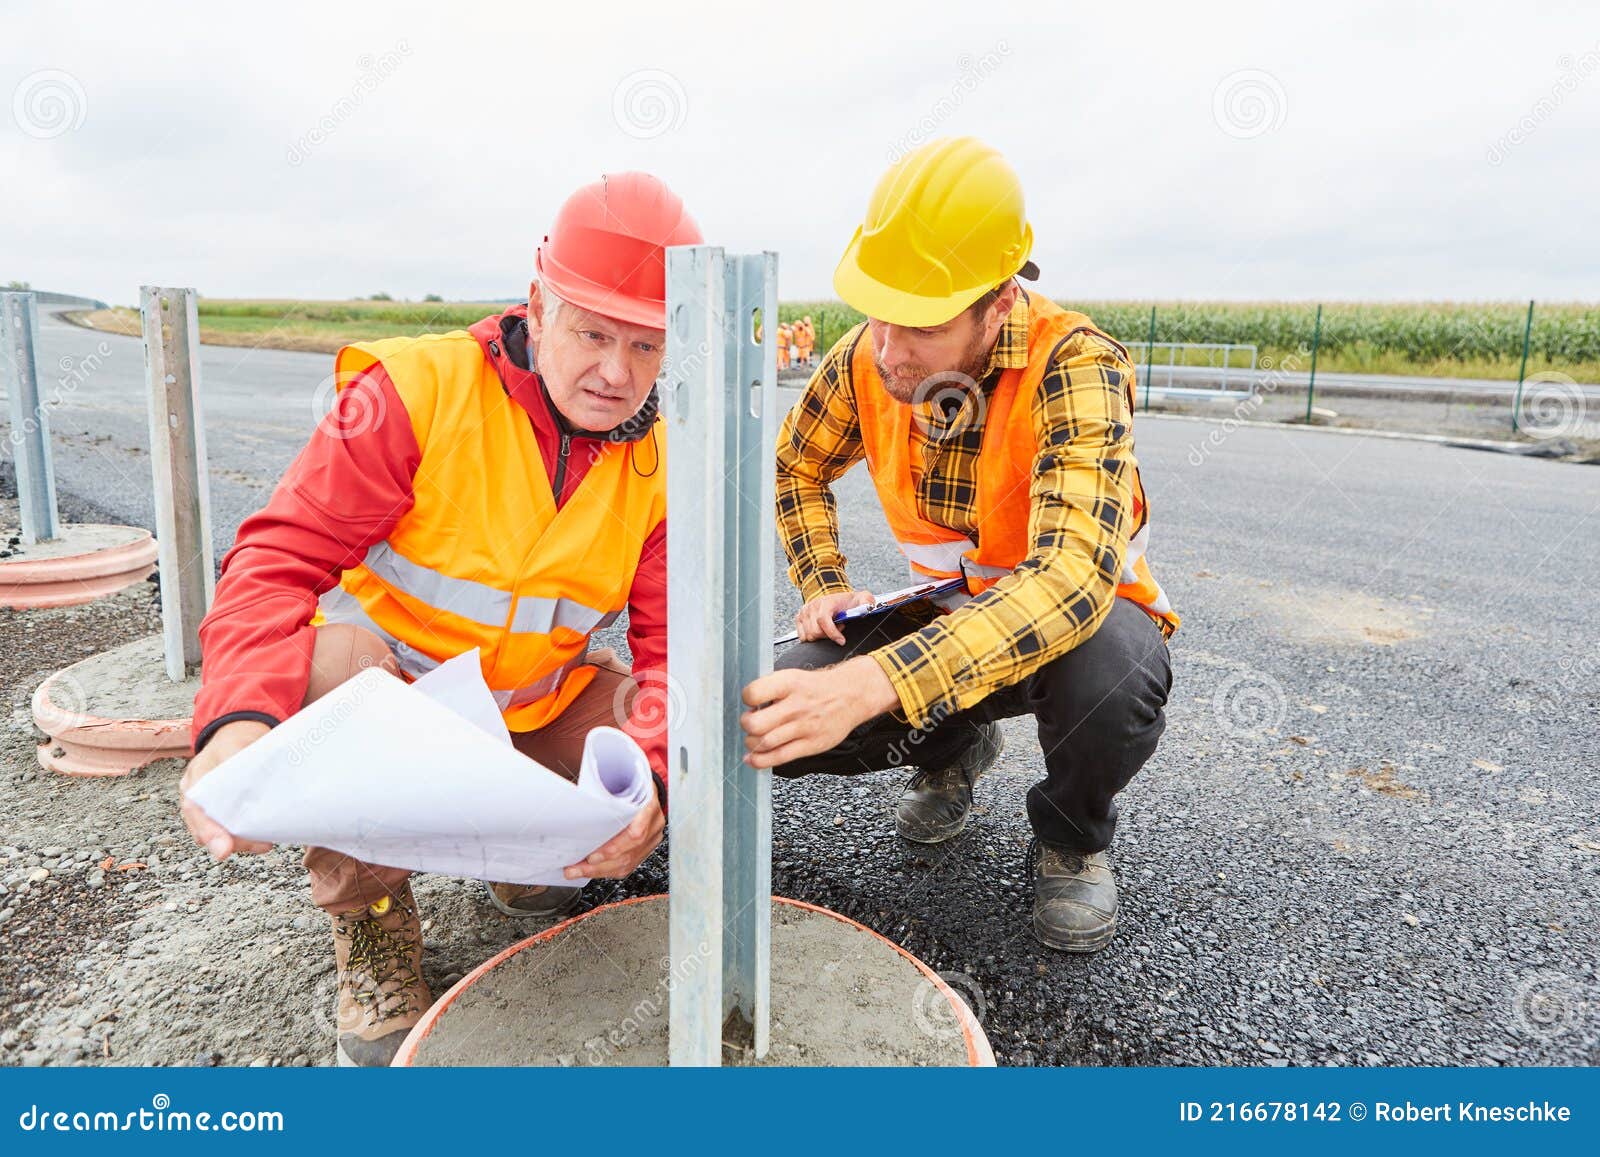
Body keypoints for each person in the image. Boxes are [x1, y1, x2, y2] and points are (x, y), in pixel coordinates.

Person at [177, 172, 701, 1064]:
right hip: (397, 702)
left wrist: (651, 774)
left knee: (647, 729)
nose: (618, 372)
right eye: (593, 331)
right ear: (539, 305)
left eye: (647, 345)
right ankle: (373, 925)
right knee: (316, 675)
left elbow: (673, 647)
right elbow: (274, 562)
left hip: (528, 707)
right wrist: (233, 724)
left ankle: (530, 856)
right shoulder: (416, 393)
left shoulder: (663, 456)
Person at [741, 137, 1178, 953]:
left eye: (923, 325)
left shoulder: (1074, 364)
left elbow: (1074, 581)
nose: (888, 348)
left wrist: (875, 681)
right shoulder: (866, 360)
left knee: (1111, 669)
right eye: (877, 310)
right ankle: (952, 750)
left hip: (1070, 639)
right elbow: (795, 464)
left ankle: (1071, 834)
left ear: (999, 305)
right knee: (775, 710)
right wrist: (822, 580)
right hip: (946, 625)